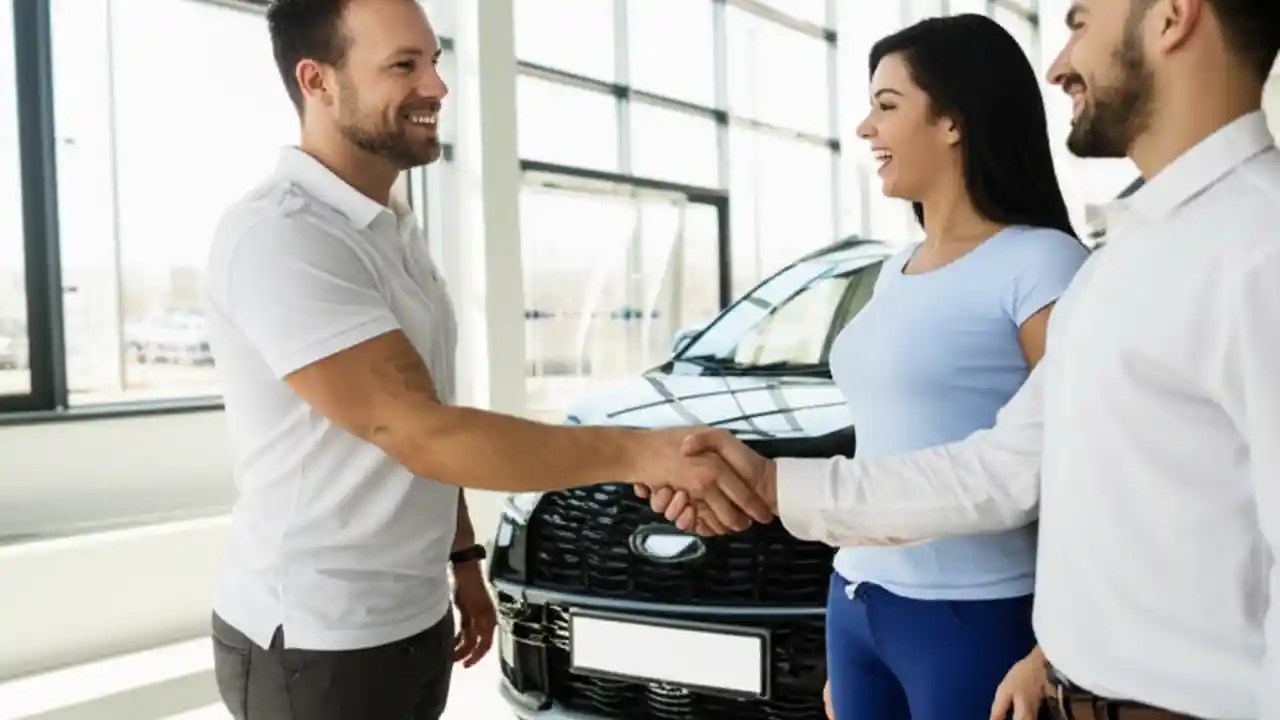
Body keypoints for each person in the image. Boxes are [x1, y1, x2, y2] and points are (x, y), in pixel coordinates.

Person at [650, 0, 1280, 718]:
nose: (1058, 64)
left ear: (1172, 16)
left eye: (1078, 22)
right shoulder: (1125, 263)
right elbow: (1004, 468)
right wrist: (769, 486)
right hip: (1033, 675)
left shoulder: (1259, 251)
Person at [202, 1, 767, 718]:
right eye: (403, 65)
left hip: (407, 614)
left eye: (433, 60)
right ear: (317, 81)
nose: (436, 86)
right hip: (317, 636)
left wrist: (463, 559)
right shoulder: (282, 238)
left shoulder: (392, 229)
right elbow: (417, 432)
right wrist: (643, 454)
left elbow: (433, 420)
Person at [821, 14, 1088, 720]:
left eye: (886, 106)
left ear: (952, 122)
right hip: (855, 604)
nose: (865, 130)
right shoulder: (891, 271)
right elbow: (881, 438)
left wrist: (1051, 652)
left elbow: (1087, 472)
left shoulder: (1044, 265)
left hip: (976, 620)